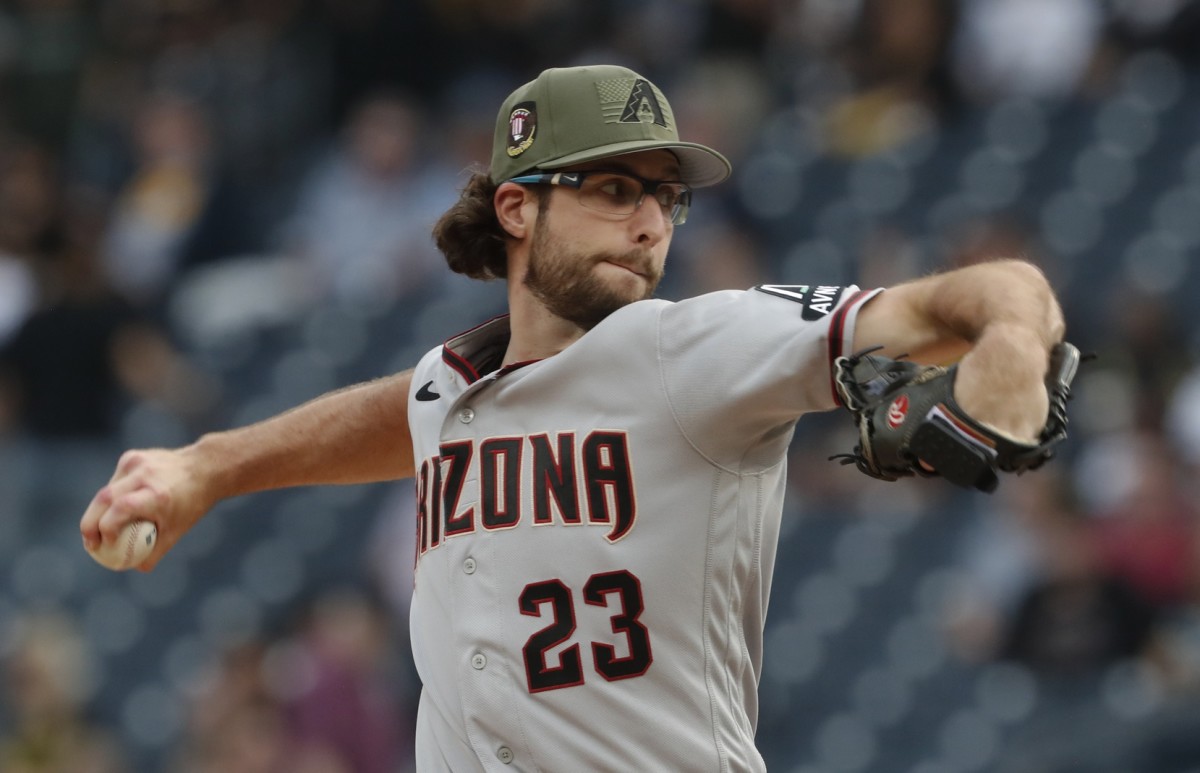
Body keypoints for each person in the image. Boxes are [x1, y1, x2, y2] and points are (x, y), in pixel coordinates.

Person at [80, 64, 1066, 771]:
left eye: (665, 197)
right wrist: (209, 464)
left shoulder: (699, 348)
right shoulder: (448, 385)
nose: (648, 221)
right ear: (517, 209)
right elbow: (393, 415)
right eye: (611, 188)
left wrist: (1014, 340)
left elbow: (967, 296)